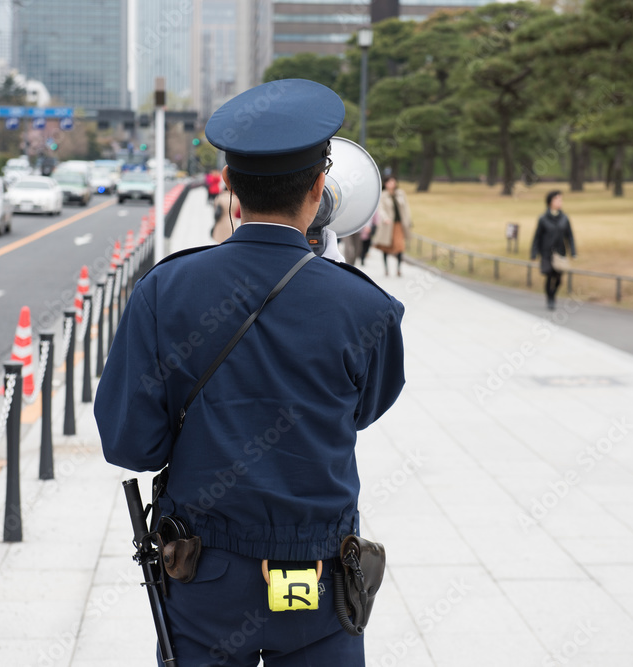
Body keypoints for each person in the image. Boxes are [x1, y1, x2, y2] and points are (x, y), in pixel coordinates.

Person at [94, 78, 406, 666]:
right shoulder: (367, 305)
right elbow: (365, 409)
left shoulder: (164, 292)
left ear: (229, 186)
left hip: (205, 576)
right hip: (319, 578)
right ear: (319, 188)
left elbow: (130, 445)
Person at [530, 190, 577, 310]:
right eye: (557, 199)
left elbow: (569, 236)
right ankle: (550, 299)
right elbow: (537, 237)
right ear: (550, 201)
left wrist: (573, 251)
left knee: (559, 279)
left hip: (560, 252)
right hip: (546, 253)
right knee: (549, 275)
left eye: (561, 200)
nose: (560, 202)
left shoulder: (564, 218)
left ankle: (553, 295)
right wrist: (534, 252)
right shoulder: (543, 218)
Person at [372, 176, 413, 277]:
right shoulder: (383, 195)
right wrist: (385, 218)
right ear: (385, 184)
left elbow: (406, 208)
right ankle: (386, 269)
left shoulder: (400, 193)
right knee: (386, 247)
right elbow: (380, 209)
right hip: (388, 225)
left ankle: (398, 269)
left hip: (399, 224)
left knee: (400, 246)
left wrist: (408, 220)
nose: (392, 184)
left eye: (393, 182)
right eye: (389, 182)